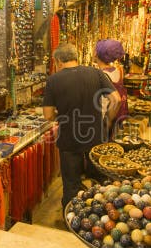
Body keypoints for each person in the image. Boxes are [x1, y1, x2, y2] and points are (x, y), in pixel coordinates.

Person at [43, 43, 120, 207]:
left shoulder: (53, 80)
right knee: (99, 178)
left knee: (71, 183)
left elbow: (48, 115)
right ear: (76, 58)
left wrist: (63, 115)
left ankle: (73, 215)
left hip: (69, 138)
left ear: (58, 61)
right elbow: (116, 99)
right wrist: (107, 120)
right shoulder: (96, 73)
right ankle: (100, 211)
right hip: (95, 134)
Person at [94, 39, 129, 136]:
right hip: (118, 116)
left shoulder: (102, 75)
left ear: (97, 54)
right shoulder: (119, 70)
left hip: (107, 117)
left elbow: (102, 102)